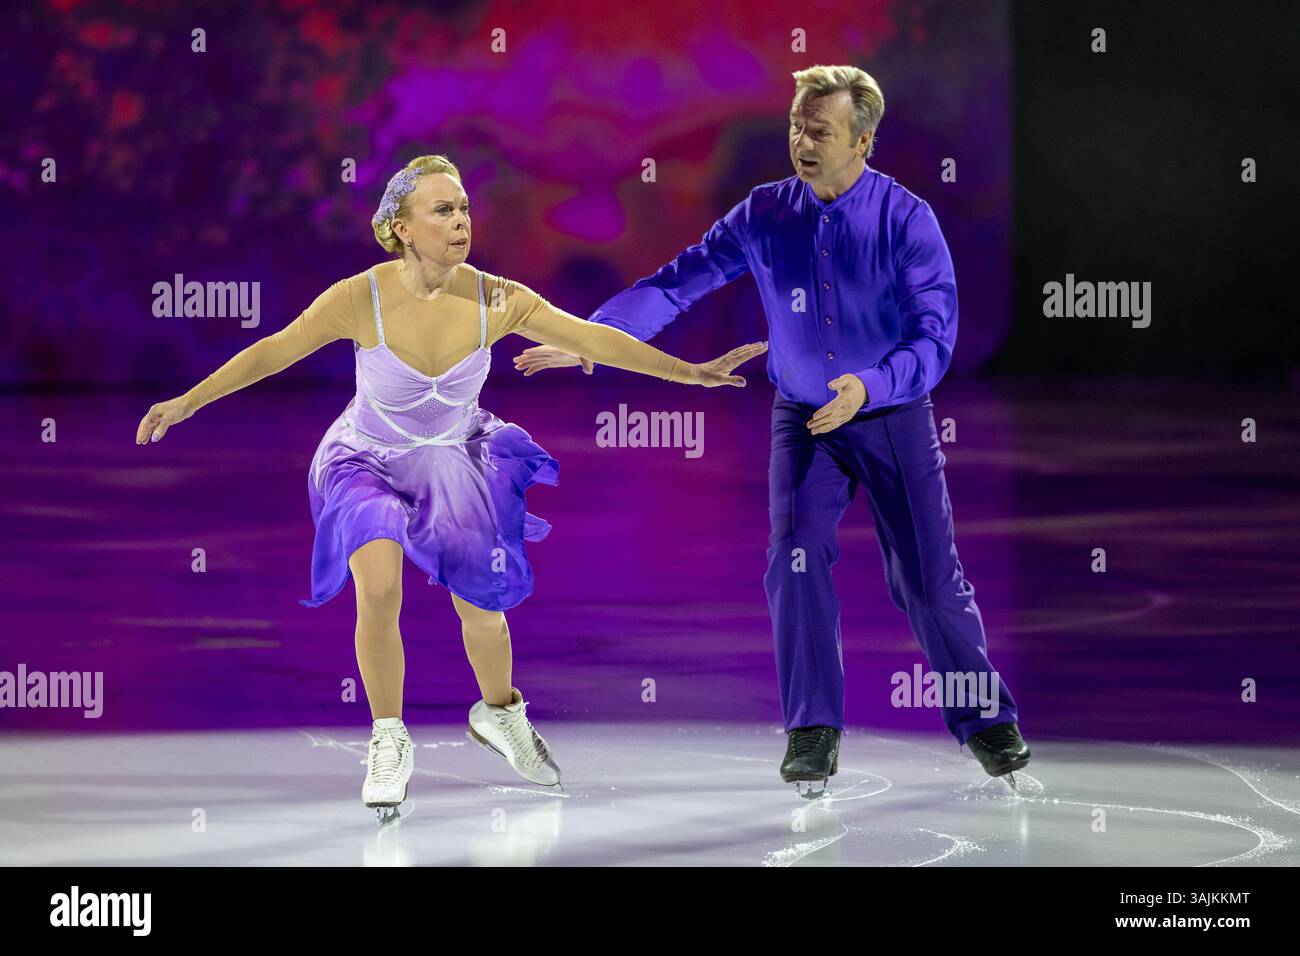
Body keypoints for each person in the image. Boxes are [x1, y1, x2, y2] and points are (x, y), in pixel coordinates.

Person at [135, 154, 766, 821]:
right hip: (365, 460)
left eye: (463, 208)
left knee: (483, 611)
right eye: (442, 210)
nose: (460, 221)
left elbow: (595, 341)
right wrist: (188, 402)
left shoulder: (498, 298)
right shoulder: (361, 298)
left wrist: (688, 374)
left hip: (455, 461)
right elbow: (273, 350)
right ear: (401, 227)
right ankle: (387, 735)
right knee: (378, 585)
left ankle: (499, 715)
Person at [515, 66, 1030, 798]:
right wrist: (594, 339)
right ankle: (812, 730)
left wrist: (870, 386)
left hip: (889, 416)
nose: (802, 141)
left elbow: (934, 339)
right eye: (796, 124)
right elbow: (678, 280)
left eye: (820, 130)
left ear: (863, 141)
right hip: (805, 421)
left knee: (926, 581)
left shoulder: (905, 219)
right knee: (793, 557)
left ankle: (984, 719)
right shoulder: (764, 213)